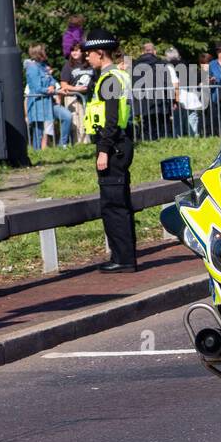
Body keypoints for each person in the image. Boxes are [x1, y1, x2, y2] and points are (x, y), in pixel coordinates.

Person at [83, 30, 137, 272]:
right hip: (118, 144)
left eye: (89, 54)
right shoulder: (115, 75)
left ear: (100, 53)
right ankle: (123, 257)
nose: (87, 58)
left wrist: (103, 150)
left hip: (113, 146)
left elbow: (112, 119)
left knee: (113, 205)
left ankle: (123, 259)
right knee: (118, 202)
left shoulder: (110, 79)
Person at [24, 43, 59, 149]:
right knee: (38, 131)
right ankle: (36, 152)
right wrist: (48, 90)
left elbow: (51, 79)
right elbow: (36, 87)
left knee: (42, 130)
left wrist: (52, 86)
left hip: (45, 102)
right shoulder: (32, 68)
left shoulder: (43, 66)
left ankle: (39, 152)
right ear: (38, 53)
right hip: (37, 103)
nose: (45, 52)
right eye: (44, 50)